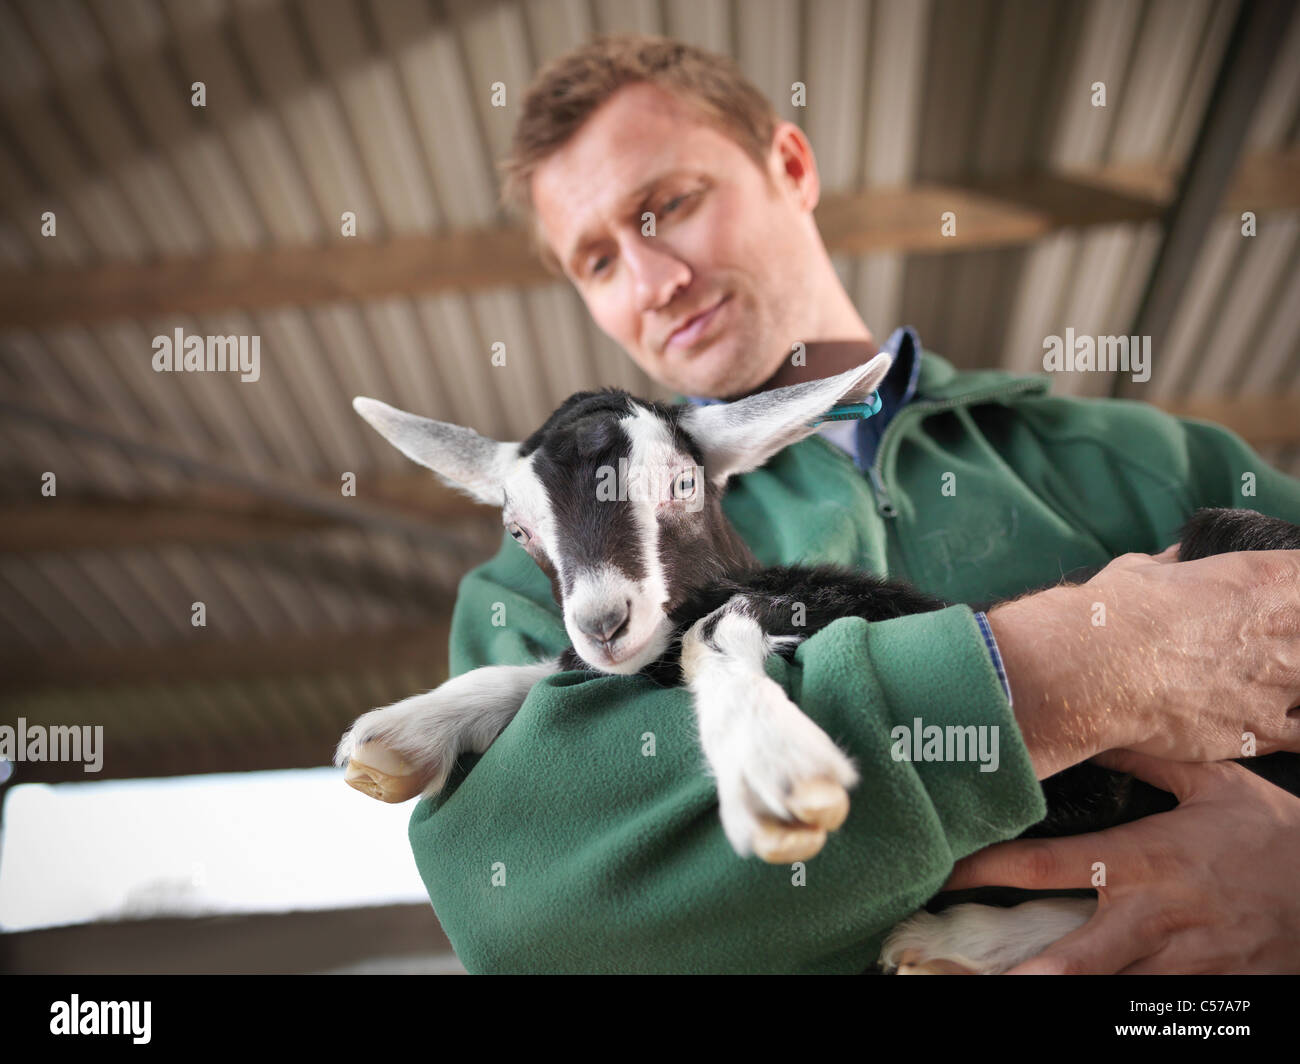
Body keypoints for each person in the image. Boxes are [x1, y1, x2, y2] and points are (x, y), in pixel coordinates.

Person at [406, 33, 1300, 973]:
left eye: (667, 205)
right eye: (596, 262)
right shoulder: (529, 587)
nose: (652, 283)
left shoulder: (1139, 458)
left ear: (790, 166)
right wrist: (1074, 665)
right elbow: (535, 916)